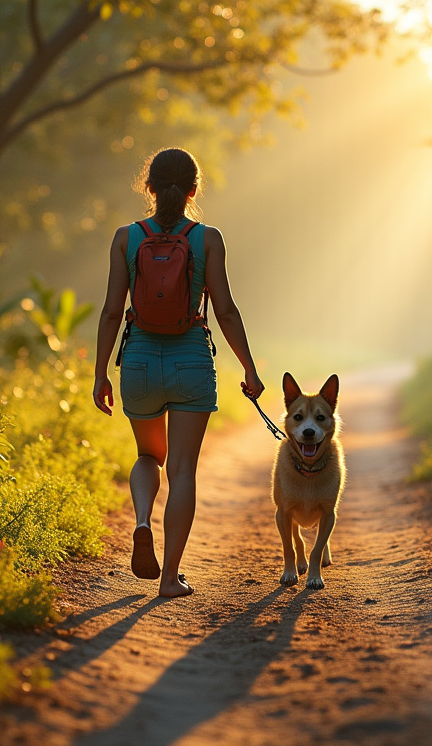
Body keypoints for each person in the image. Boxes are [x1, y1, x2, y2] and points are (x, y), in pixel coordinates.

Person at [92, 147, 265, 598]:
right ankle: (169, 578)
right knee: (183, 470)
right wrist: (249, 367)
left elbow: (113, 311)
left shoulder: (125, 238)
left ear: (148, 188)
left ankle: (143, 520)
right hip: (191, 361)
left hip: (140, 362)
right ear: (193, 190)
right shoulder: (208, 239)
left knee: (149, 457)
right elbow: (224, 309)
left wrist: (99, 374)